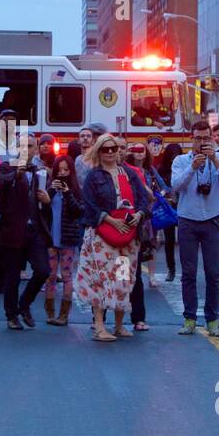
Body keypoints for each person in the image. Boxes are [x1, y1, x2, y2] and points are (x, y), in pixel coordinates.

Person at [76, 133, 150, 342]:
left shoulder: (129, 174)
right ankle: (99, 326)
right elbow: (89, 205)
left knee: (123, 279)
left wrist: (139, 214)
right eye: (105, 149)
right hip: (101, 237)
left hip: (128, 237)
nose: (110, 152)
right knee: (100, 280)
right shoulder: (94, 176)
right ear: (98, 151)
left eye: (114, 149)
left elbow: (143, 199)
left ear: (119, 151)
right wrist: (110, 220)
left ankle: (118, 325)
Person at [169, 119, 219, 336]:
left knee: (213, 273)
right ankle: (189, 318)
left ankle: (213, 319)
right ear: (191, 138)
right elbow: (176, 186)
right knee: (188, 273)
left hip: (212, 219)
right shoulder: (180, 160)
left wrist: (214, 157)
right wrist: (192, 167)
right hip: (187, 219)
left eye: (207, 138)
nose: (203, 142)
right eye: (198, 138)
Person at [0, 133, 52, 330]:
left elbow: (46, 203)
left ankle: (24, 304)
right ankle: (11, 315)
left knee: (43, 270)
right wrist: (16, 174)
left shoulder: (40, 171)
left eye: (30, 146)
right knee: (13, 276)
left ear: (35, 150)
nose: (26, 149)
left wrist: (47, 201)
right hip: (13, 229)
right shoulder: (6, 167)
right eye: (22, 145)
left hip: (34, 229)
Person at [124, 140, 166, 332]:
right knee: (117, 274)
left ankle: (137, 317)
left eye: (119, 148)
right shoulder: (99, 173)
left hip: (135, 229)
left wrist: (140, 212)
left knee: (134, 273)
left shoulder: (139, 172)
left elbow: (148, 197)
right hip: (111, 232)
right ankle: (107, 319)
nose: (115, 152)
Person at [43, 154, 84, 326]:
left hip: (68, 238)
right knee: (50, 276)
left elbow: (78, 211)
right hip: (51, 238)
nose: (62, 173)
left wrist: (67, 193)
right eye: (59, 170)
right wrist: (52, 189)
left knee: (67, 275)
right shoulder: (49, 187)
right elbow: (42, 207)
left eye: (66, 170)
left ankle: (64, 315)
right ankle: (50, 313)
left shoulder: (75, 189)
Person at [156, 140, 182, 282]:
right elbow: (158, 187)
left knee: (185, 240)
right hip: (168, 206)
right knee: (169, 240)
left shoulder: (184, 166)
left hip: (183, 206)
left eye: (176, 154)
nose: (174, 157)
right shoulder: (162, 168)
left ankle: (183, 269)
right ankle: (171, 269)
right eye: (172, 155)